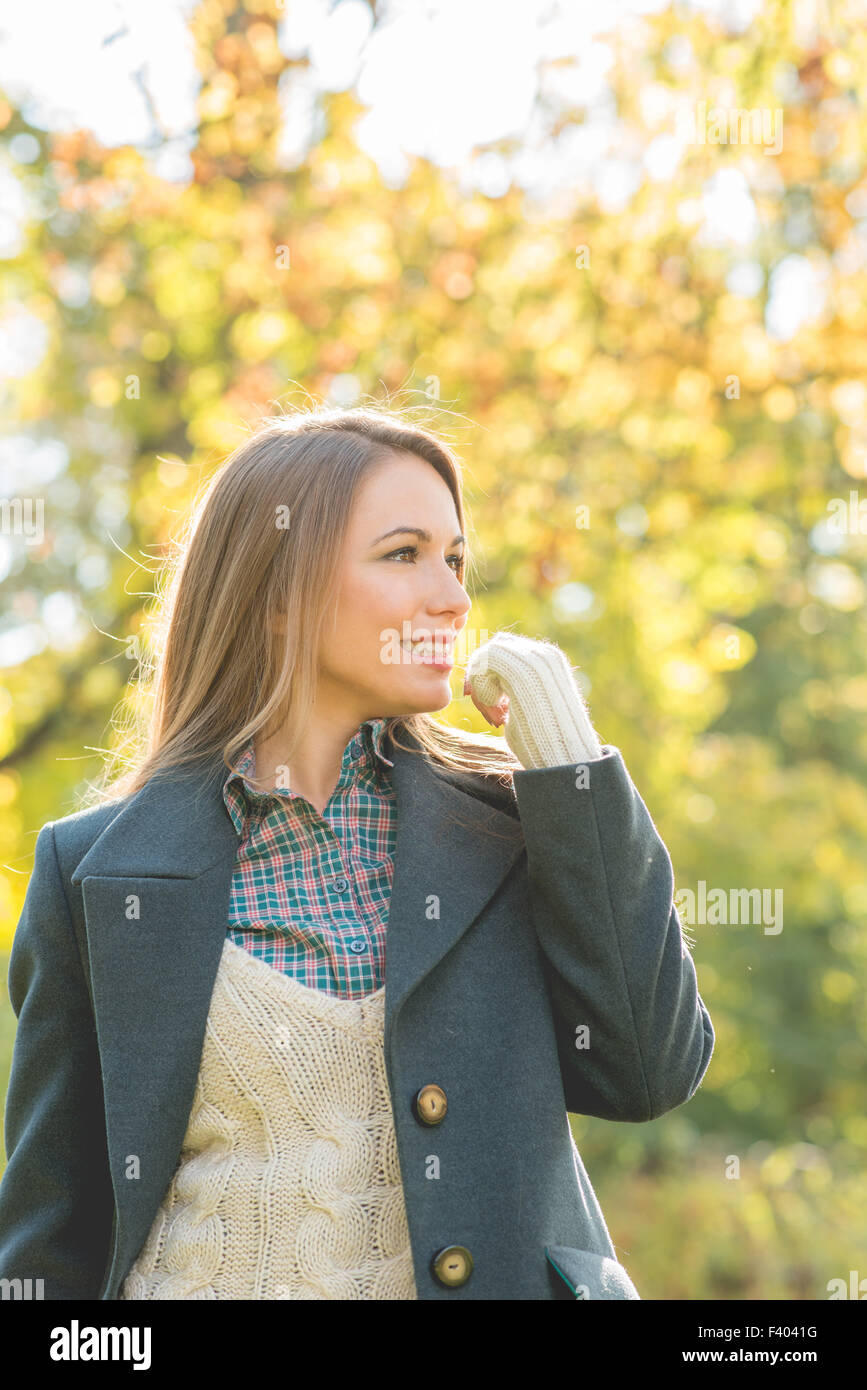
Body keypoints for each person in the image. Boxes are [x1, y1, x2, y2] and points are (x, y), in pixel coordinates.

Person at [0, 405, 714, 1300]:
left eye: (454, 559)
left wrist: (567, 759)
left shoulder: (514, 821)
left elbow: (648, 1070)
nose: (452, 596)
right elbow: (47, 1244)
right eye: (402, 553)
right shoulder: (93, 874)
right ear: (277, 593)